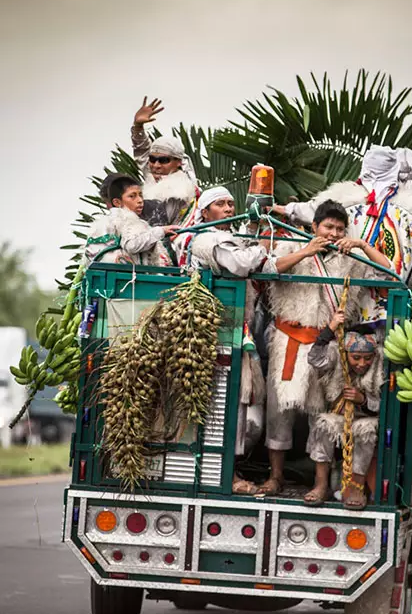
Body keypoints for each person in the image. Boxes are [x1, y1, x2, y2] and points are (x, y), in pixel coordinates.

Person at [259, 199, 392, 497]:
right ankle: (276, 476)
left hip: (329, 345)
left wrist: (360, 245)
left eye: (339, 229)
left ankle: (319, 483)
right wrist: (307, 251)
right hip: (288, 342)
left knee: (321, 414)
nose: (333, 233)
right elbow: (269, 268)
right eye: (328, 227)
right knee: (279, 413)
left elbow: (390, 272)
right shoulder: (292, 245)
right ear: (314, 226)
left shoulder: (352, 258)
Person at [182, 186, 269, 495]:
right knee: (225, 407)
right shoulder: (206, 238)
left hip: (234, 332)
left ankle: (229, 473)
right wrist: (262, 246)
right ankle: (226, 478)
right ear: (205, 212)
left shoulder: (228, 237)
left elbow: (247, 253)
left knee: (238, 408)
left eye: (232, 203)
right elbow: (241, 264)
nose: (229, 208)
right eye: (221, 204)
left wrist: (257, 234)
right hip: (214, 335)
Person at [272, 145, 412, 289]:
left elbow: (312, 211)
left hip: (349, 289)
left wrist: (281, 208)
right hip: (395, 296)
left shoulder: (345, 195)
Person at [307, 315, 384, 509]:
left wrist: (363, 400)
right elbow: (314, 359)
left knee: (366, 429)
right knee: (324, 425)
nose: (361, 363)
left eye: (367, 358)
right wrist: (329, 329)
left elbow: (385, 404)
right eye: (356, 358)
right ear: (346, 352)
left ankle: (356, 487)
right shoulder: (336, 353)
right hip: (339, 416)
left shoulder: (381, 364)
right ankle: (321, 484)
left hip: (366, 418)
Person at [130, 97, 199, 227]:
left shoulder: (179, 189)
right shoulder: (155, 175)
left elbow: (159, 223)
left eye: (163, 160)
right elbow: (143, 152)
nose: (156, 165)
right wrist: (138, 127)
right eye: (153, 159)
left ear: (178, 162)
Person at [84, 174, 178, 267]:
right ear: (116, 202)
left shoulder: (105, 222)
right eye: (132, 196)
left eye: (140, 195)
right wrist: (161, 231)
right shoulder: (125, 219)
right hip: (129, 277)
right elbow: (131, 245)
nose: (140, 200)